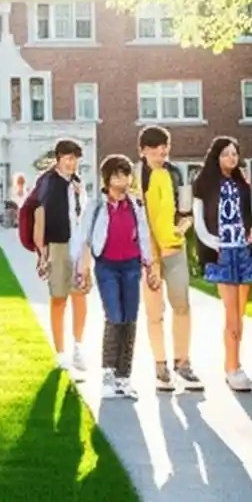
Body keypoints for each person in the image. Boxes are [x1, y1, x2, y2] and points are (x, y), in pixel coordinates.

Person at [70, 154, 154, 400]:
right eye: (117, 175)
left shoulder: (135, 204)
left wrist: (150, 265)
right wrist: (80, 268)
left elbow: (144, 235)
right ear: (107, 179)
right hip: (106, 266)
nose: (123, 180)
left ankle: (124, 377)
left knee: (130, 319)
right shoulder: (97, 205)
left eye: (126, 174)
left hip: (131, 266)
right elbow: (83, 236)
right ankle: (108, 374)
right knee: (114, 317)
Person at [130, 125, 202, 392]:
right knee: (154, 311)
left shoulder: (174, 173)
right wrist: (151, 256)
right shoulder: (135, 177)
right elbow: (137, 218)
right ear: (143, 151)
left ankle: (183, 362)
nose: (161, 155)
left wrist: (178, 232)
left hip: (174, 249)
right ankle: (160, 366)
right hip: (147, 254)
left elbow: (186, 211)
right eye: (155, 150)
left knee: (182, 305)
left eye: (164, 150)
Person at [191, 137, 252, 392]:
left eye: (234, 154)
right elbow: (198, 221)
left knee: (240, 315)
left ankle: (234, 360)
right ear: (216, 156)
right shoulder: (205, 182)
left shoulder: (243, 183)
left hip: (244, 250)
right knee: (231, 315)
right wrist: (213, 244)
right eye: (226, 154)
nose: (231, 158)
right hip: (222, 252)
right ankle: (233, 368)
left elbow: (249, 214)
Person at [33, 138, 90, 376]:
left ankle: (78, 346)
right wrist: (41, 251)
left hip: (77, 244)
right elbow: (39, 214)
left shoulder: (77, 183)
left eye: (75, 158)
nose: (72, 163)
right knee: (59, 298)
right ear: (58, 158)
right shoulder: (47, 182)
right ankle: (60, 351)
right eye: (68, 158)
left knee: (80, 295)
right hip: (56, 244)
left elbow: (83, 214)